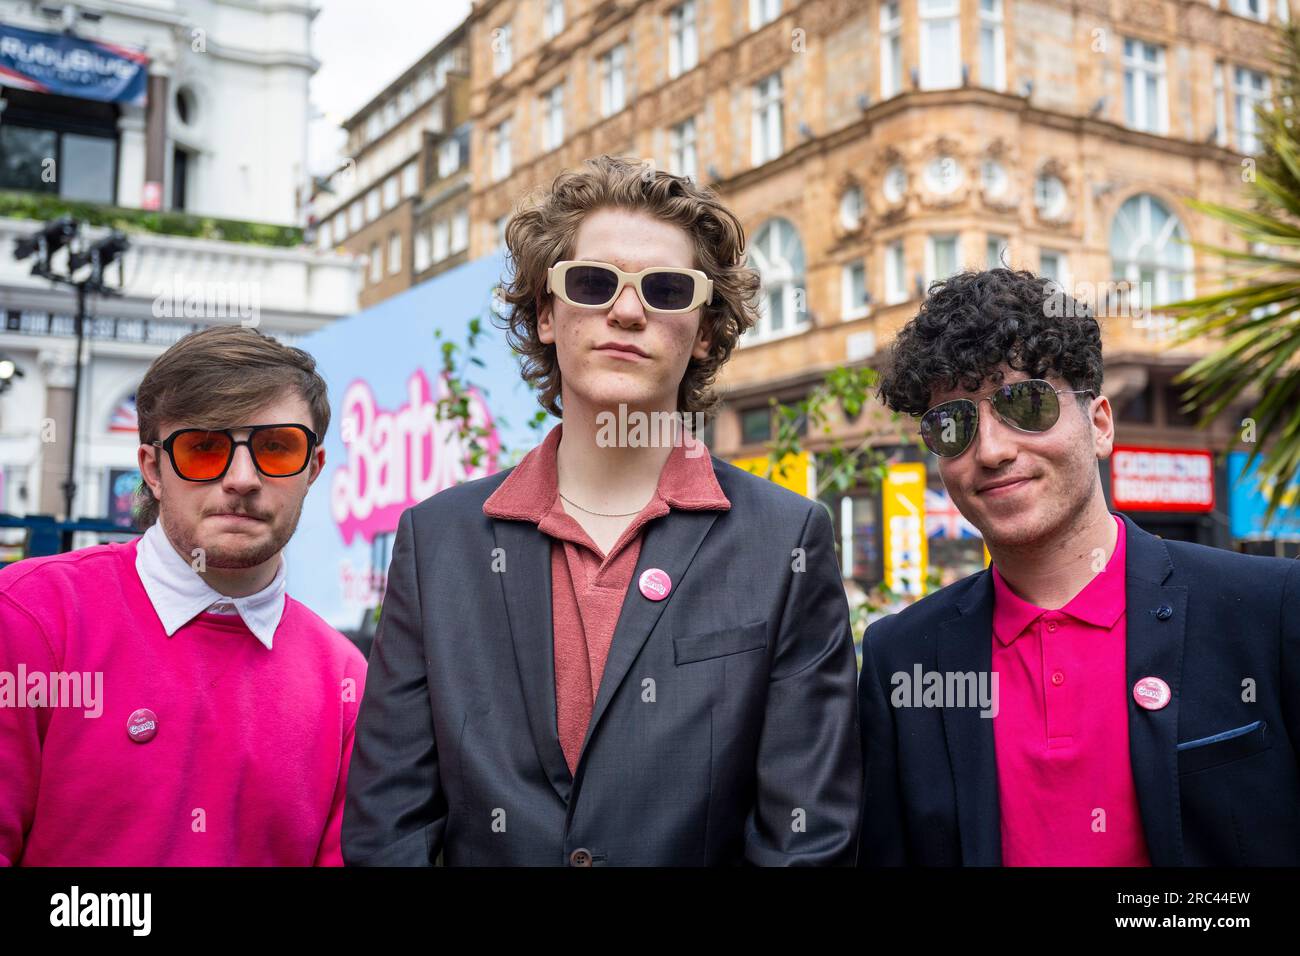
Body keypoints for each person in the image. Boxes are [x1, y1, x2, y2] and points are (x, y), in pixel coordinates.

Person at [343, 155, 861, 866]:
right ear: (547, 315)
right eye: (592, 283)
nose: (626, 310)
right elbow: (389, 829)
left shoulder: (786, 541)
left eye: (667, 289)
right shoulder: (438, 543)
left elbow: (807, 842)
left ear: (705, 332)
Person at [858, 268, 1300, 866]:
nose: (990, 450)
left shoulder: (1266, 609)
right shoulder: (899, 657)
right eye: (953, 424)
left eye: (1025, 403)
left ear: (1099, 424)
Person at [0, 326, 366, 865]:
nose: (242, 479)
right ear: (152, 469)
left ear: (312, 469)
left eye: (275, 447)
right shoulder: (32, 617)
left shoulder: (346, 682)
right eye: (203, 448)